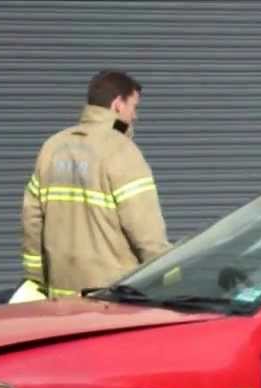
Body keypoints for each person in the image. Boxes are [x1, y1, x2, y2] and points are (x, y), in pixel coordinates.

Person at [17, 70, 171, 301]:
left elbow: (31, 222)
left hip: (59, 299)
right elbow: (147, 235)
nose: (135, 116)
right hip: (110, 301)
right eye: (134, 107)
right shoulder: (121, 151)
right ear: (118, 104)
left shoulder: (53, 147)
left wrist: (37, 279)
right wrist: (171, 278)